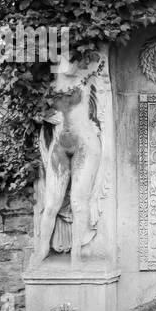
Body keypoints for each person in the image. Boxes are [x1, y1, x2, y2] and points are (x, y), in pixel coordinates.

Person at [34, 58, 103, 266]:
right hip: (60, 146)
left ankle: (76, 255)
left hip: (85, 144)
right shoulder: (50, 83)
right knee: (51, 203)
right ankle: (43, 249)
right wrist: (44, 116)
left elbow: (96, 61)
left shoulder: (88, 72)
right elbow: (36, 114)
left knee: (78, 203)